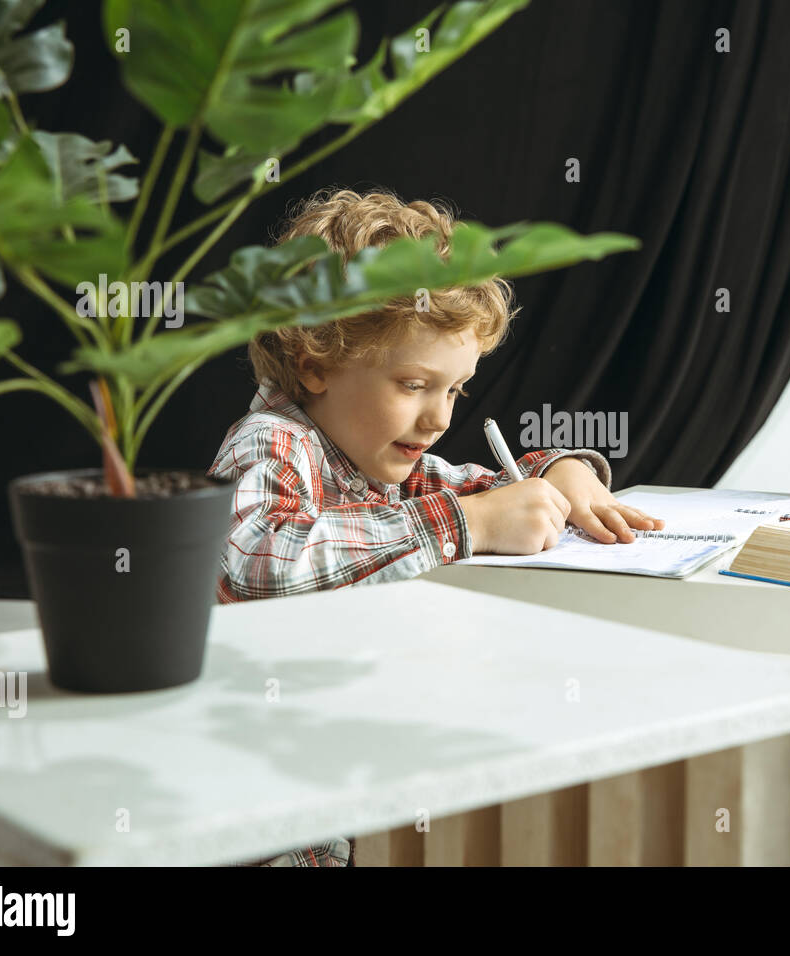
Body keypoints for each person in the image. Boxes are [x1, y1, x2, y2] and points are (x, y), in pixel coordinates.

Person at [209, 188, 662, 865]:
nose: (440, 418)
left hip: (354, 773)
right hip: (260, 801)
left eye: (455, 390)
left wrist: (560, 472)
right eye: (414, 385)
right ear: (316, 362)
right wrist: (465, 523)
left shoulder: (378, 461)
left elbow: (481, 486)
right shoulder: (271, 443)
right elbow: (257, 565)